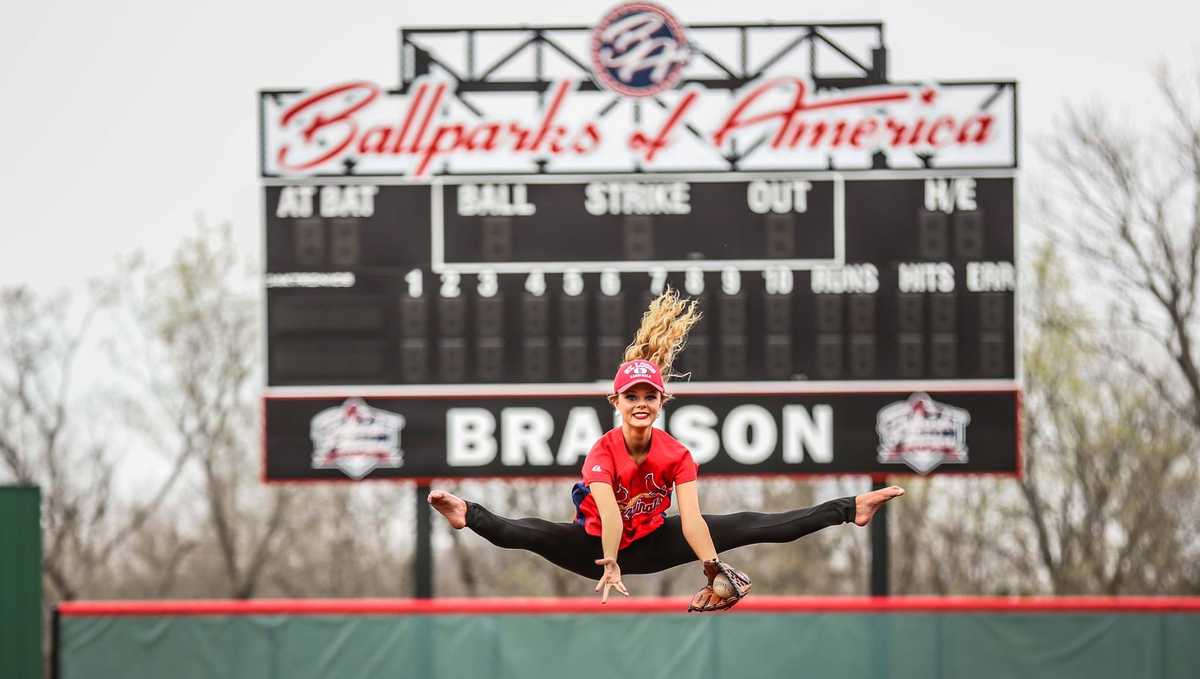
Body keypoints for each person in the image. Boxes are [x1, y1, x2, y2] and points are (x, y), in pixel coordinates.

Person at [428, 288, 904, 611]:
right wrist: (611, 561)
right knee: (529, 532)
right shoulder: (603, 450)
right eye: (630, 396)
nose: (640, 403)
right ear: (616, 402)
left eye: (648, 396)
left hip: (655, 542)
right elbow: (610, 517)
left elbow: (693, 520)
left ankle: (851, 508)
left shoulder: (676, 454)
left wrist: (712, 566)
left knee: (750, 525)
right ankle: (466, 513)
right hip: (595, 547)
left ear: (662, 401)